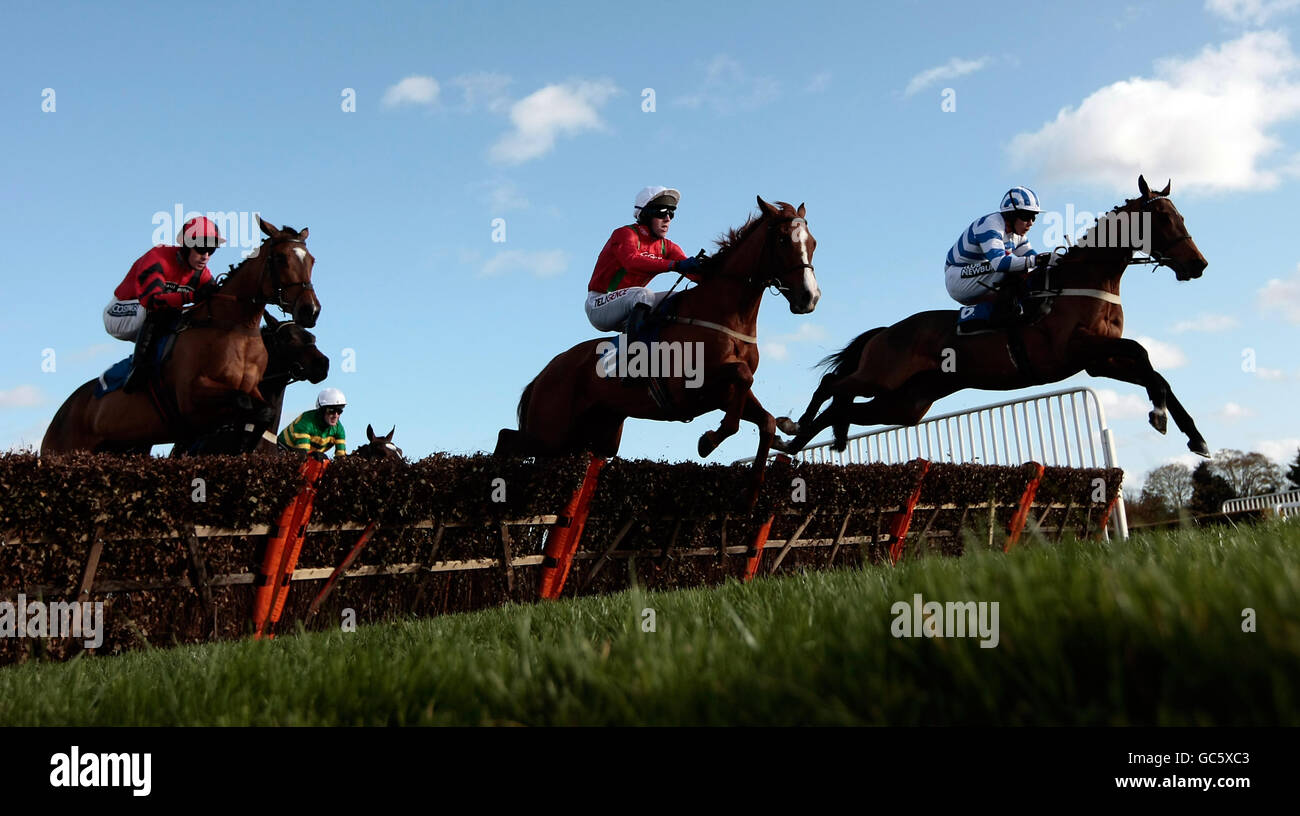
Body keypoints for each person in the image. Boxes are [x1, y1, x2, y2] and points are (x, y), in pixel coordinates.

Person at [106, 216, 224, 392]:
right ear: (186, 246)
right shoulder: (158, 257)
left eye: (211, 250)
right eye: (201, 248)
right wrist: (191, 296)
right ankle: (138, 369)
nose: (205, 256)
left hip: (150, 317)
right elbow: (151, 300)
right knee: (167, 311)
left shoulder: (203, 274)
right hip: (120, 314)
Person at [586, 185, 705, 340]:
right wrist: (674, 265)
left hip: (631, 303)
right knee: (643, 294)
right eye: (662, 212)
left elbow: (694, 274)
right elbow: (631, 261)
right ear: (647, 215)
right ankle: (632, 350)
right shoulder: (625, 234)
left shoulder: (668, 246)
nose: (667, 219)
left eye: (671, 213)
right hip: (599, 304)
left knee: (677, 298)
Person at [944, 186, 1053, 324]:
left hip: (978, 276)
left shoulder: (1017, 235)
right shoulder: (991, 225)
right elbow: (1000, 263)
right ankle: (1002, 314)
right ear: (1012, 215)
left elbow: (1035, 260)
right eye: (1026, 216)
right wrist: (1036, 260)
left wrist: (1055, 262)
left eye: (1034, 217)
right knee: (1013, 267)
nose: (1031, 223)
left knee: (1028, 271)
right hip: (958, 278)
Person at [278, 388, 348, 458]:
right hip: (281, 449)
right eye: (331, 410)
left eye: (339, 411)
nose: (336, 415)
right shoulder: (306, 423)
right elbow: (303, 454)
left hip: (301, 453)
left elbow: (341, 456)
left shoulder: (339, 430)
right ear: (322, 411)